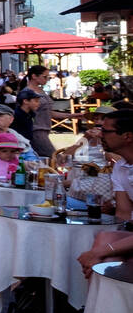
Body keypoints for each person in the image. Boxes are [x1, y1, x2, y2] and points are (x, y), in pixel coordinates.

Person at [77, 110, 133, 278]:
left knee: (103, 251)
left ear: (127, 136)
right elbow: (123, 214)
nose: (100, 134)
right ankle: (101, 302)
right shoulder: (121, 166)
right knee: (105, 242)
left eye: (106, 131)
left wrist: (101, 251)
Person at [19, 63, 85, 159]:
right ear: (34, 76)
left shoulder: (40, 90)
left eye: (48, 77)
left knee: (48, 159)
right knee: (54, 158)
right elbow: (22, 114)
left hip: (43, 130)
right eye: (44, 77)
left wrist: (71, 115)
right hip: (35, 131)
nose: (47, 80)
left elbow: (48, 112)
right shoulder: (26, 93)